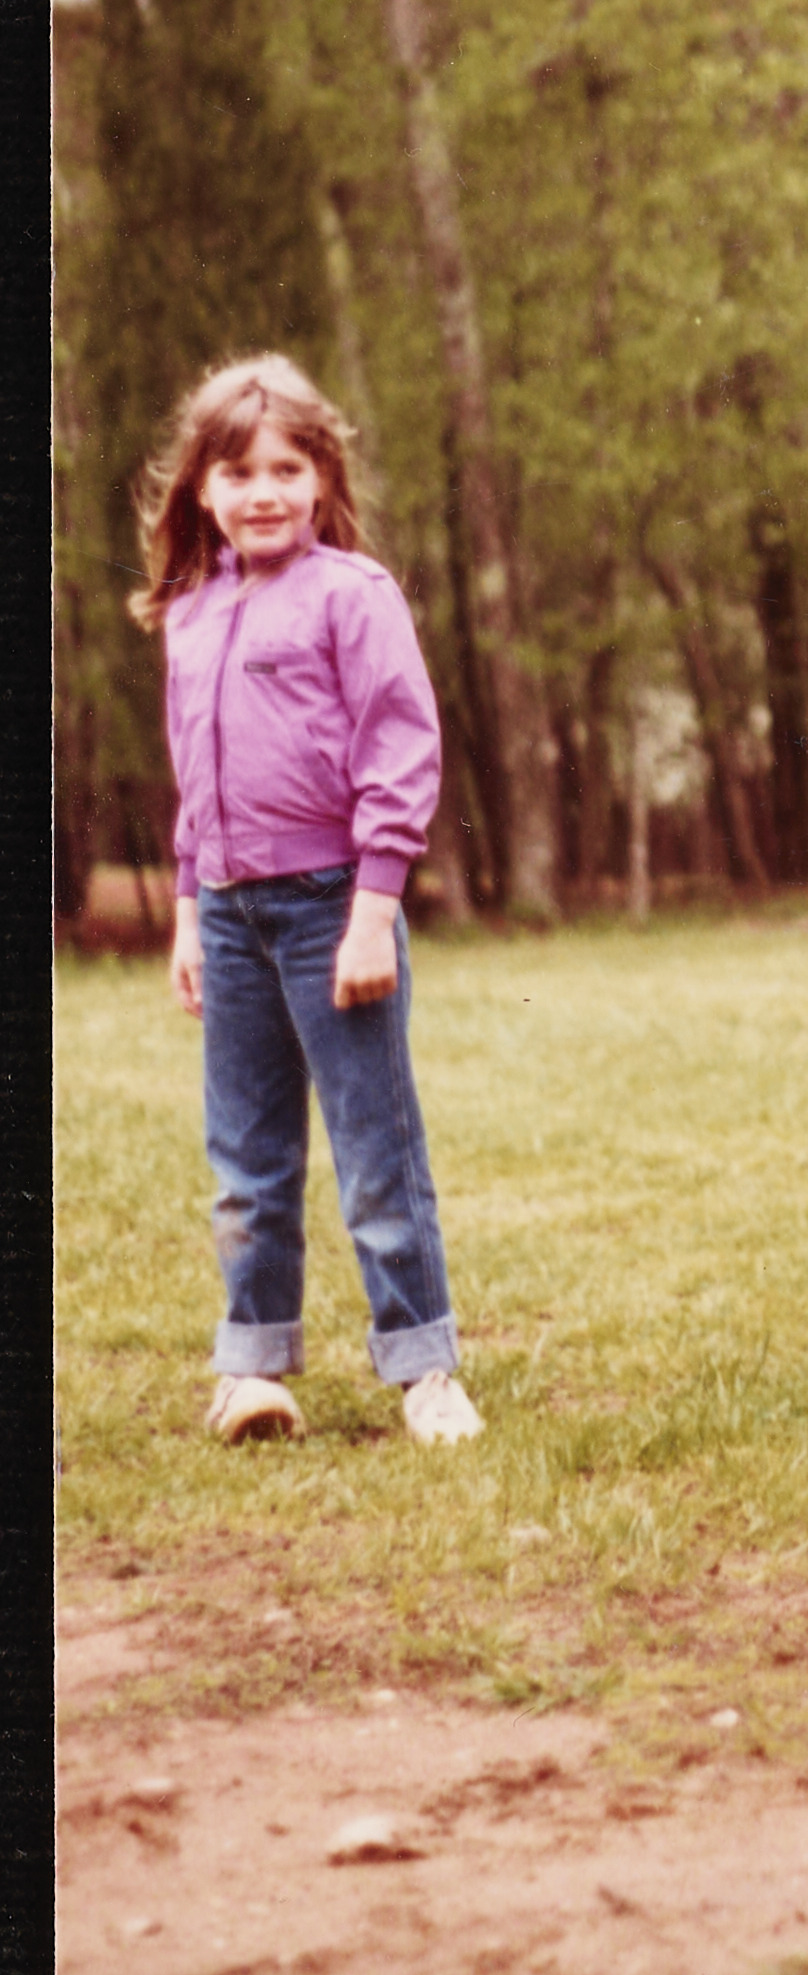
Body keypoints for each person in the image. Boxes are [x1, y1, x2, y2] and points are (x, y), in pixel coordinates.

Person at [133, 355, 485, 1444]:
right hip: (228, 914)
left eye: (288, 468)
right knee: (246, 1159)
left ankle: (424, 1367)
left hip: (335, 908)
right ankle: (252, 1369)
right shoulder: (192, 613)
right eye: (239, 472)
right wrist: (189, 914)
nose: (264, 492)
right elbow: (193, 779)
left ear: (323, 478)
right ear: (202, 489)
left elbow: (400, 750)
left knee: (376, 1153)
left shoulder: (352, 595)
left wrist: (373, 909)